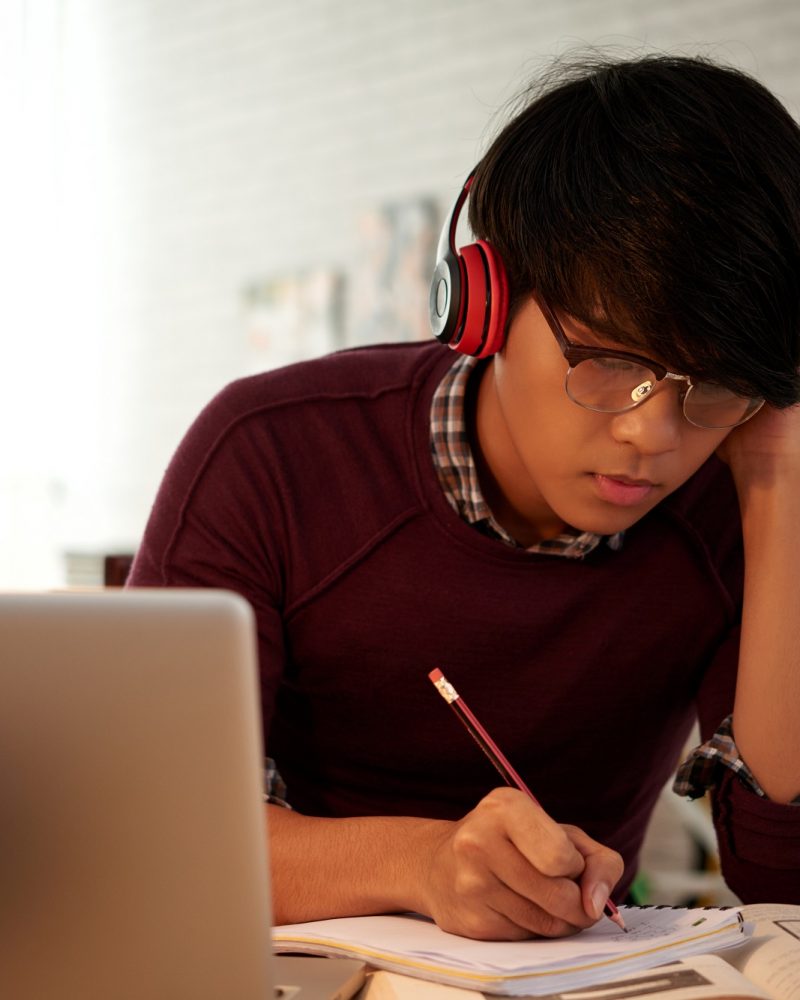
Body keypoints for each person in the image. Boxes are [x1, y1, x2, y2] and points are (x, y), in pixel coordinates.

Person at [129, 52, 800, 940]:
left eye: (713, 384)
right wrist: (423, 864)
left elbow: (780, 877)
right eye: (609, 361)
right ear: (483, 302)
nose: (655, 433)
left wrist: (778, 477)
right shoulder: (271, 453)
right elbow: (155, 841)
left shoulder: (734, 495)